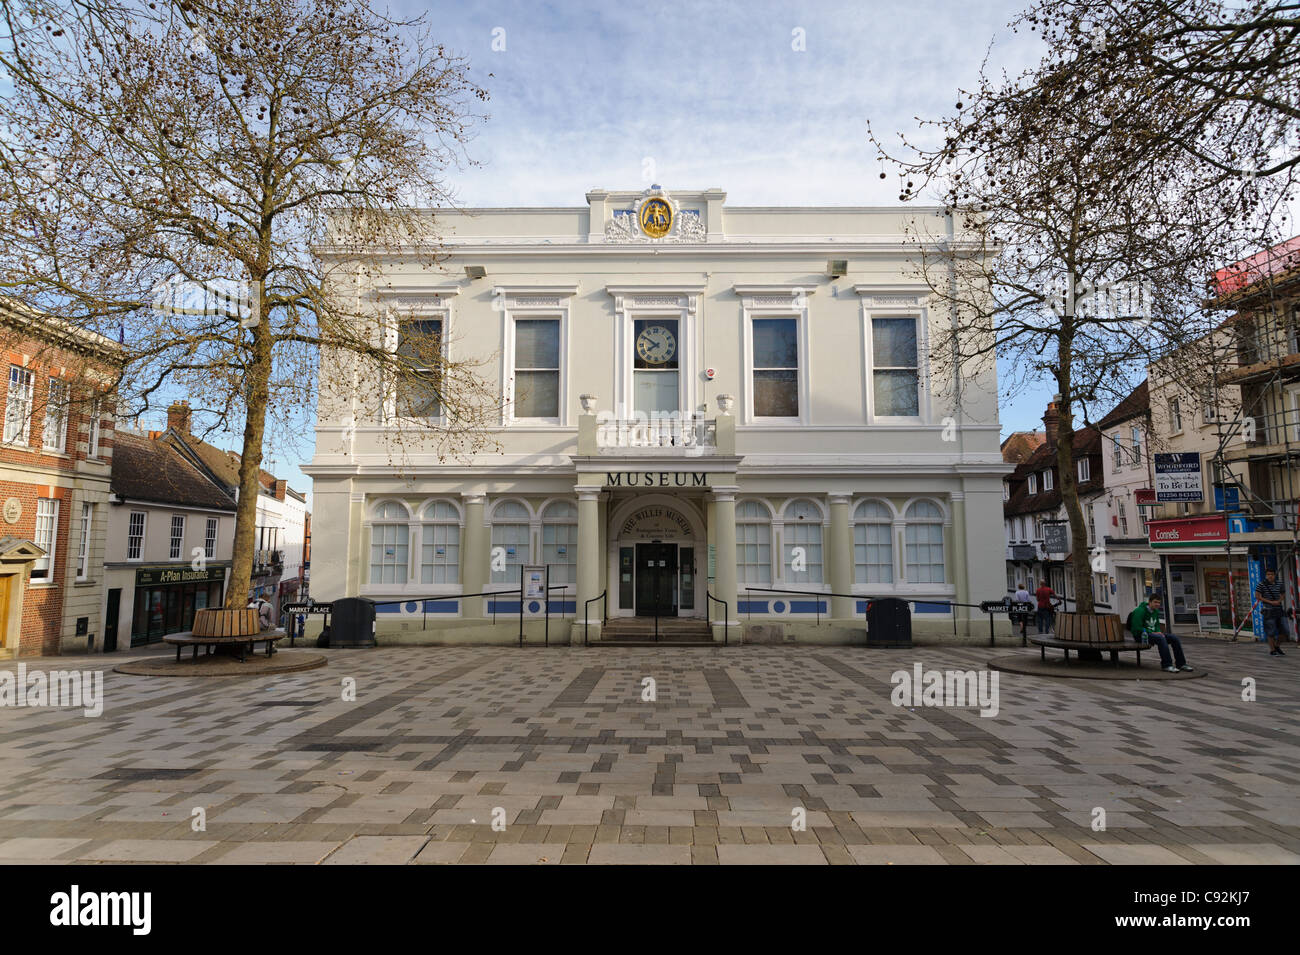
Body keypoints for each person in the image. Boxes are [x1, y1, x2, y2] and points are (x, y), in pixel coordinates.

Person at [1128, 595, 1193, 673]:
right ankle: (1167, 665)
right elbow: (1136, 628)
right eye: (1155, 602)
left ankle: (1181, 664)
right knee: (1160, 638)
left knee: (1174, 638)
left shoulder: (1155, 611)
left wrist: (1158, 631)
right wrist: (1152, 632)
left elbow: (1156, 625)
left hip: (1152, 634)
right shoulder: (1139, 611)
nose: (1157, 604)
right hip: (1140, 635)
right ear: (1149, 602)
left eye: (1159, 603)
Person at [1255, 567, 1288, 657]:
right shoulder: (1261, 584)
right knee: (1271, 631)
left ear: (1275, 575)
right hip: (1268, 609)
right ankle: (1272, 650)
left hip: (1279, 609)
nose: (1270, 576)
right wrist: (1271, 602)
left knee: (1285, 630)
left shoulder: (1280, 583)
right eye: (1268, 574)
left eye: (1272, 574)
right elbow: (1257, 596)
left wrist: (1279, 600)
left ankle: (1277, 646)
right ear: (1266, 575)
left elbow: (1283, 593)